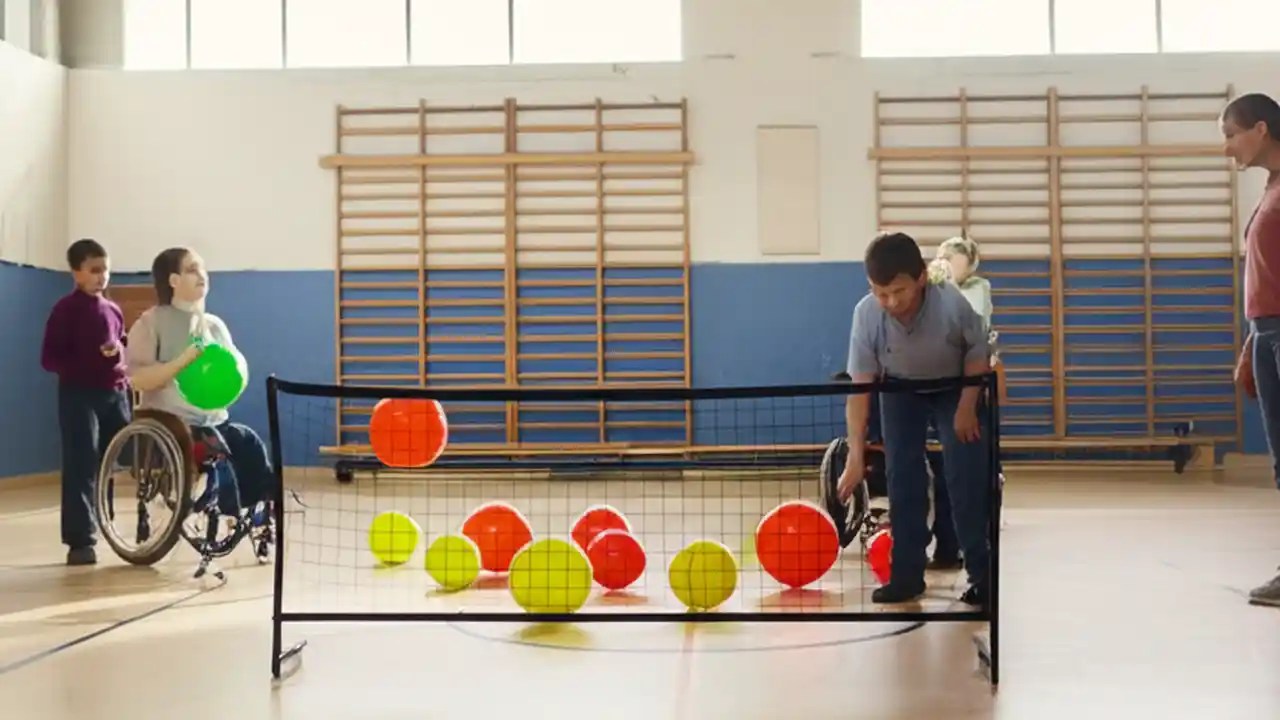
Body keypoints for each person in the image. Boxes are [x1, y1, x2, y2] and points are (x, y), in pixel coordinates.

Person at [837, 232, 993, 606]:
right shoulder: (867, 314)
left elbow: (978, 352)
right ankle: (906, 576)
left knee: (964, 477)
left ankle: (983, 576)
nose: (890, 302)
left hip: (956, 385)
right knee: (901, 479)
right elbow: (860, 391)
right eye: (880, 292)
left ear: (921, 278)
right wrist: (856, 459)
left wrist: (967, 406)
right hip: (900, 390)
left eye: (899, 291)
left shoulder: (951, 304)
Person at [124, 247, 271, 524]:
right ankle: (229, 508)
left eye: (202, 268)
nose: (202, 274)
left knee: (248, 441)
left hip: (212, 420)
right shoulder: (150, 323)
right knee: (218, 447)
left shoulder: (214, 326)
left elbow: (234, 372)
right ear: (174, 281)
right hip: (171, 423)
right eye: (192, 269)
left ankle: (253, 512)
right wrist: (181, 362)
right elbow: (137, 379)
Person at [1221, 92, 1280, 608]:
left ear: (1260, 129)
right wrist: (1251, 343)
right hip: (1267, 332)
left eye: (1231, 134)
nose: (1227, 147)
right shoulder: (1270, 188)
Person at [40, 239, 132, 566]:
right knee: (82, 464)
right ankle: (81, 540)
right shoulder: (64, 310)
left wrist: (116, 355)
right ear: (76, 272)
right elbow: (49, 359)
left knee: (127, 450)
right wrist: (89, 361)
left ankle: (137, 521)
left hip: (114, 393)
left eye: (105, 269)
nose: (101, 276)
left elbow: (121, 345)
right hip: (79, 395)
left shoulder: (114, 310)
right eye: (94, 270)